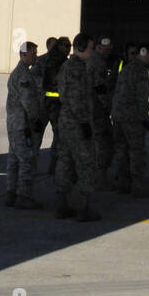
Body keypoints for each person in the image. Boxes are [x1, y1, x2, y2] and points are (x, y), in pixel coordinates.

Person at [54, 33, 100, 221]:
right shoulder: (77, 68)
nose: (92, 51)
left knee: (65, 162)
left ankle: (62, 205)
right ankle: (85, 208)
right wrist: (84, 123)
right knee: (86, 163)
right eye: (90, 47)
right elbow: (75, 98)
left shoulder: (67, 66)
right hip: (77, 124)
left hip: (65, 123)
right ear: (80, 48)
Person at [111, 43, 149, 197]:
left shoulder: (127, 68)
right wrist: (145, 119)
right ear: (143, 53)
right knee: (137, 152)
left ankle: (122, 184)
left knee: (121, 151)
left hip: (118, 116)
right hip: (132, 118)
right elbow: (141, 98)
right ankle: (138, 186)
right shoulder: (141, 71)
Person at [5, 41, 44, 209]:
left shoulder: (18, 73)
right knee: (26, 160)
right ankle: (24, 196)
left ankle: (11, 193)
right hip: (23, 125)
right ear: (23, 54)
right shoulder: (23, 76)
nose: (36, 56)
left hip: (15, 124)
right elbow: (29, 101)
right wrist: (36, 120)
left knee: (14, 159)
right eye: (33, 53)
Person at [87, 35, 116, 187]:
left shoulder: (89, 60)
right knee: (103, 142)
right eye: (105, 49)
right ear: (98, 48)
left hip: (89, 109)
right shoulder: (98, 63)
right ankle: (101, 179)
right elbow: (100, 88)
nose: (108, 52)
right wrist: (108, 105)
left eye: (109, 49)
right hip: (97, 110)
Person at [37, 36, 66, 173]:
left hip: (56, 105)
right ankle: (31, 166)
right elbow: (33, 78)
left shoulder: (63, 61)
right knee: (37, 135)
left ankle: (53, 166)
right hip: (43, 105)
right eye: (53, 45)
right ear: (48, 46)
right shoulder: (40, 60)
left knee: (58, 136)